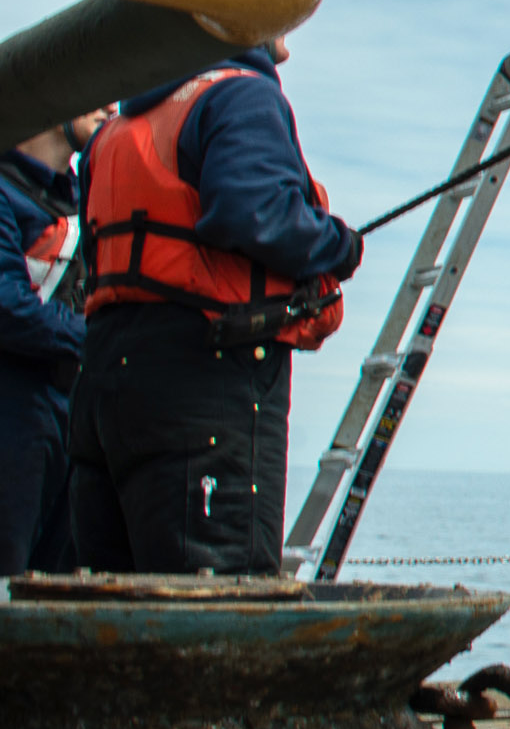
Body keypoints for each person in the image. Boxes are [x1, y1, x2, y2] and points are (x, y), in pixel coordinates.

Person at [69, 43, 364, 574]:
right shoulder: (240, 93)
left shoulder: (113, 132)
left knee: (113, 592)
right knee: (222, 596)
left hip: (104, 387)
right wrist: (339, 245)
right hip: (207, 383)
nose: (288, 41)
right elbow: (252, 211)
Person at [0, 112, 103, 575]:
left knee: (59, 578)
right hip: (12, 415)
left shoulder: (88, 202)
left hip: (69, 417)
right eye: (97, 89)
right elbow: (7, 306)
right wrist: (98, 338)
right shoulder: (5, 191)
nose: (111, 106)